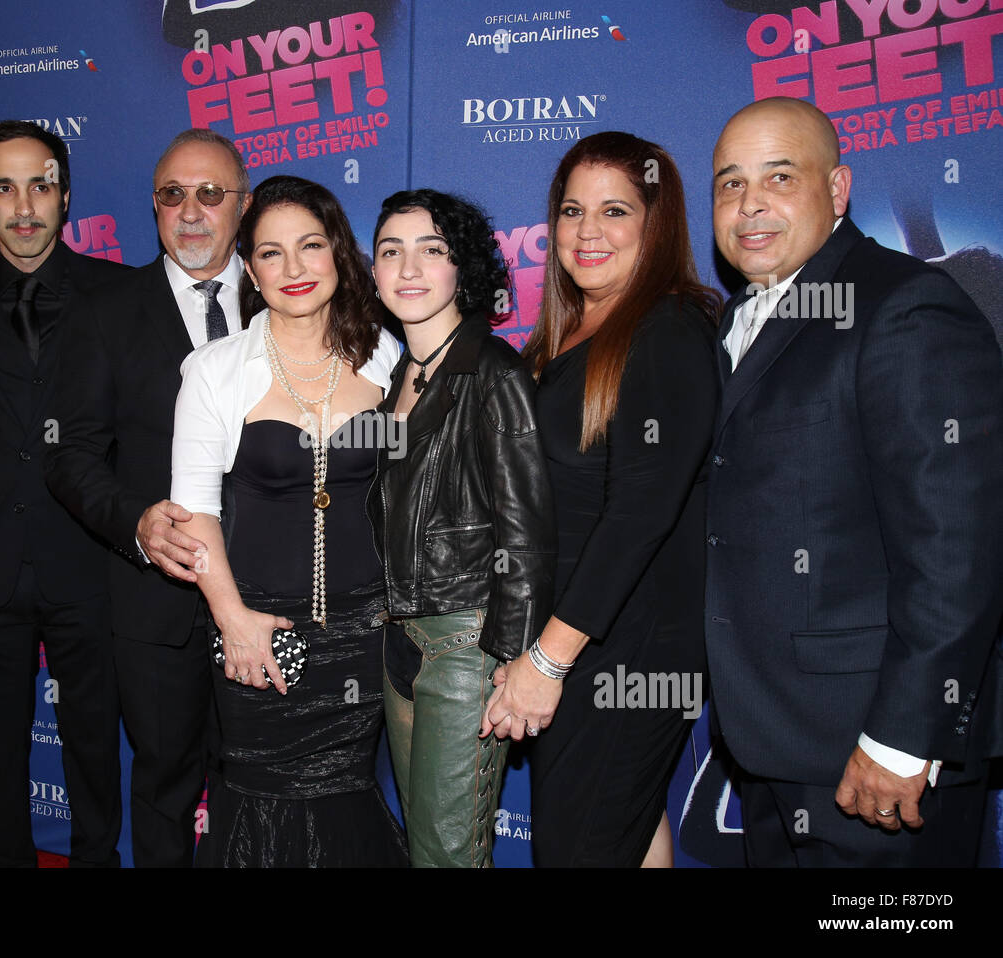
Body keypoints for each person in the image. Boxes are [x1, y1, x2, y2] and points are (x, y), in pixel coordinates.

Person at [705, 97, 1003, 866]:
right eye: (730, 184)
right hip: (772, 743)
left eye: (779, 176)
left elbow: (958, 544)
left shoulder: (902, 307)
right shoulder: (733, 324)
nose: (751, 204)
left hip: (874, 756)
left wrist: (904, 739)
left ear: (837, 189)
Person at [482, 131, 722, 868]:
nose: (588, 232)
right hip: (591, 637)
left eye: (614, 210)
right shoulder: (574, 332)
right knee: (622, 833)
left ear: (657, 223)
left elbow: (640, 513)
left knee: (579, 849)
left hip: (626, 651)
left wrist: (547, 663)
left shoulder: (668, 328)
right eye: (572, 210)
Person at [168, 175, 407, 866]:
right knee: (260, 802)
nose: (295, 269)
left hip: (366, 634)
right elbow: (193, 513)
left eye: (311, 246)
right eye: (272, 254)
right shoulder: (215, 370)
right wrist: (232, 619)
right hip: (259, 631)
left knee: (344, 797)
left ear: (340, 252)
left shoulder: (387, 357)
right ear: (250, 268)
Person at [0, 120, 129, 867]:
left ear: (65, 196)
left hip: (89, 559)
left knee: (95, 744)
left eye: (40, 185)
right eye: (3, 188)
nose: (24, 206)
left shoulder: (118, 290)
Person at [44, 128, 251, 866]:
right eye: (171, 195)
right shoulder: (105, 312)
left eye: (210, 194)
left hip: (268, 597)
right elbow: (69, 456)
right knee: (165, 785)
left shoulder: (290, 300)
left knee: (259, 787)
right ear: (153, 208)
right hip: (153, 607)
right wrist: (134, 522)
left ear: (244, 206)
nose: (191, 212)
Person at [366, 189, 555, 867]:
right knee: (428, 847)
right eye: (391, 251)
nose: (409, 267)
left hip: (467, 646)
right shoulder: (400, 378)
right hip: (400, 641)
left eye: (431, 250)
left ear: (462, 269)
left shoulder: (493, 372)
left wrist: (514, 662)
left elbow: (527, 531)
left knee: (450, 852)